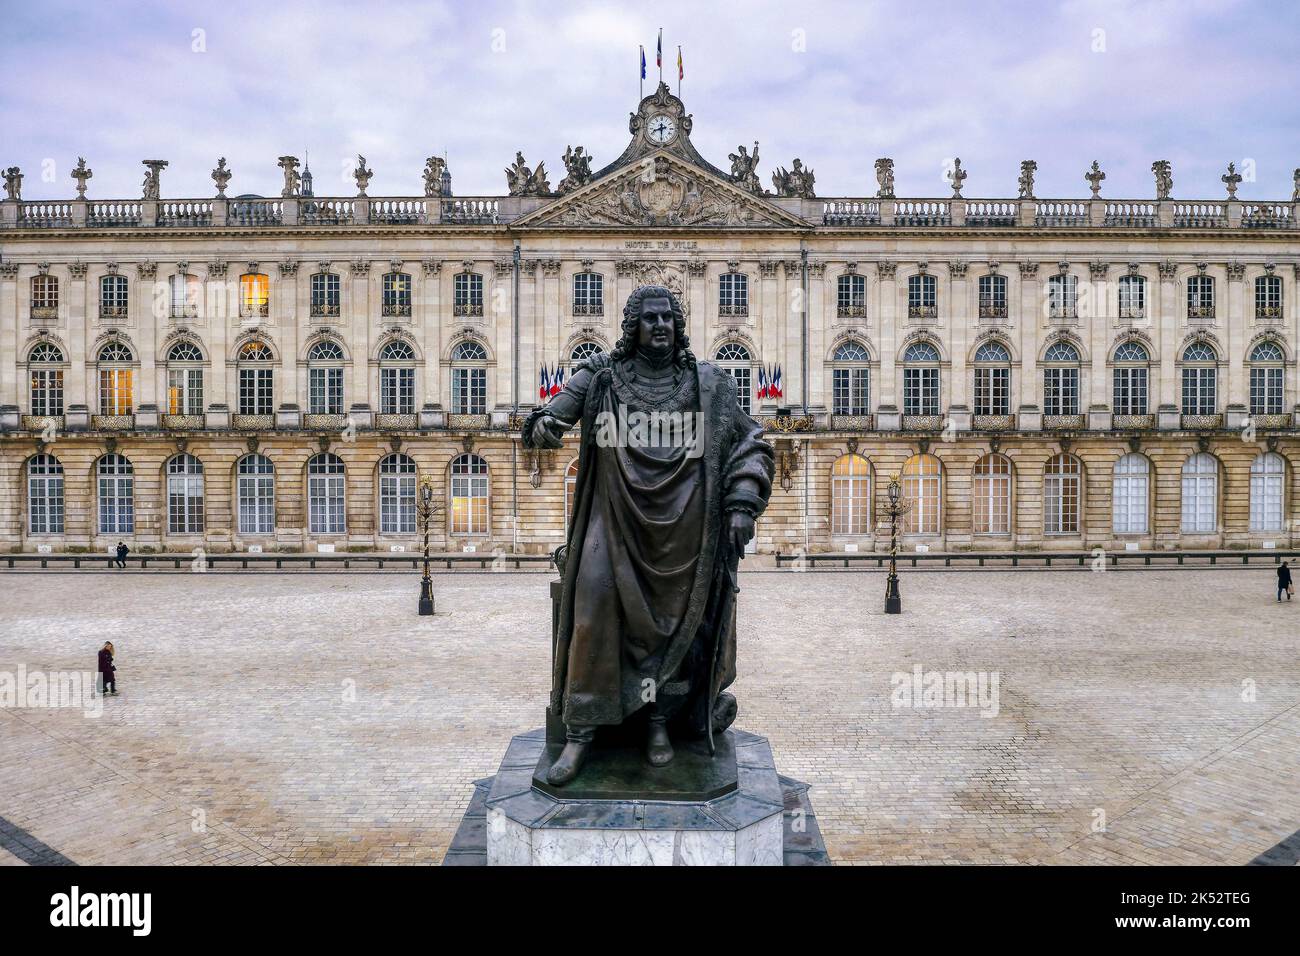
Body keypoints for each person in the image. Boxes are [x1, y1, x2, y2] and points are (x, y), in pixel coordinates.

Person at [523, 284, 774, 786]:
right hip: (613, 518)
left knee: (673, 623)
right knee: (593, 606)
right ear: (632, 327)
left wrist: (743, 503)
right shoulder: (602, 377)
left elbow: (752, 441)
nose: (660, 326)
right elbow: (553, 411)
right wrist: (546, 424)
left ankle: (659, 723)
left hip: (684, 531)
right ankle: (580, 734)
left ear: (678, 326)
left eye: (668, 319)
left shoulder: (708, 384)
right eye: (650, 319)